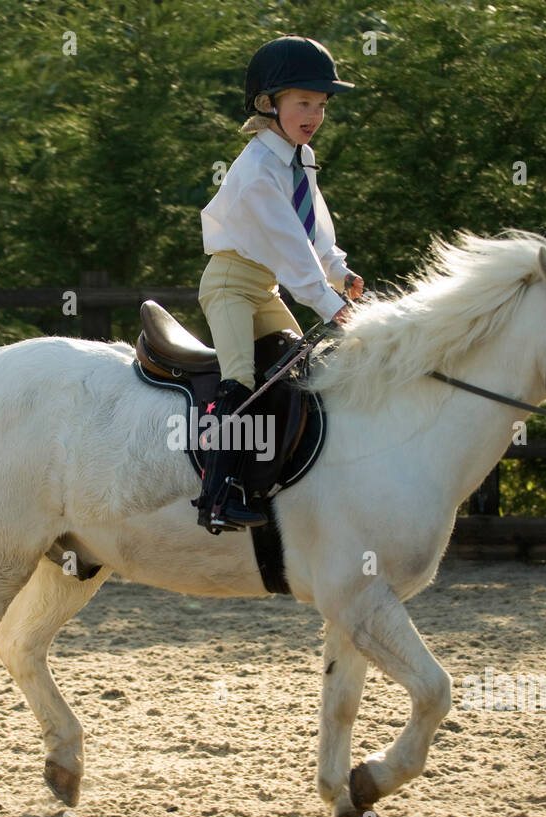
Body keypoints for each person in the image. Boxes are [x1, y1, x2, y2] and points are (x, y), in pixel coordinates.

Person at [193, 35, 365, 533]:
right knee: (240, 379)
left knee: (296, 373)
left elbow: (314, 238)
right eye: (303, 102)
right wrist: (328, 304)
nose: (315, 114)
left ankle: (265, 484)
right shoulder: (257, 170)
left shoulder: (299, 159)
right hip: (230, 284)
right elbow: (290, 249)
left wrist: (341, 273)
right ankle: (217, 497)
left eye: (321, 104)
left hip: (265, 287)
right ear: (269, 104)